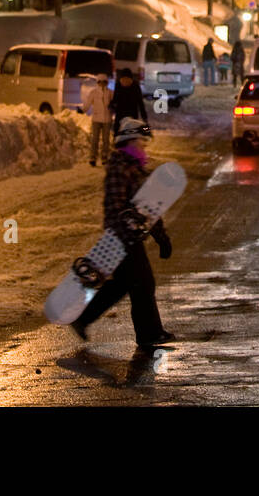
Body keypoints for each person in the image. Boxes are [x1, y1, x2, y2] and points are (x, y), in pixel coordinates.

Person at [70, 118, 175, 349]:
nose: (144, 145)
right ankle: (149, 334)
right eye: (141, 140)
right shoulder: (120, 166)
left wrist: (161, 237)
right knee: (142, 283)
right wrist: (130, 226)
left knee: (125, 284)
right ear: (130, 140)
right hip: (122, 238)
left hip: (131, 236)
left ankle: (83, 319)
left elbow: (149, 207)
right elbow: (117, 206)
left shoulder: (133, 167)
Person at [80, 72, 113, 165]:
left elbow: (115, 104)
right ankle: (93, 157)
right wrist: (83, 110)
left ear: (107, 82)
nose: (102, 83)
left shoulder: (110, 93)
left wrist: (114, 108)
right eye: (100, 81)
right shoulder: (93, 93)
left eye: (104, 81)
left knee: (106, 139)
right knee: (95, 139)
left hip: (107, 119)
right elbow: (87, 103)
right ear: (97, 82)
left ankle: (104, 156)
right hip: (96, 119)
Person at [111, 67, 147, 132]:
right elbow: (115, 98)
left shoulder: (135, 86)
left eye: (127, 79)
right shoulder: (118, 85)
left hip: (132, 115)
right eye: (123, 79)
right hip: (120, 114)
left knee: (131, 133)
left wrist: (144, 117)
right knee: (118, 132)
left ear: (130, 79)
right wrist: (111, 104)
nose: (125, 81)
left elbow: (140, 102)